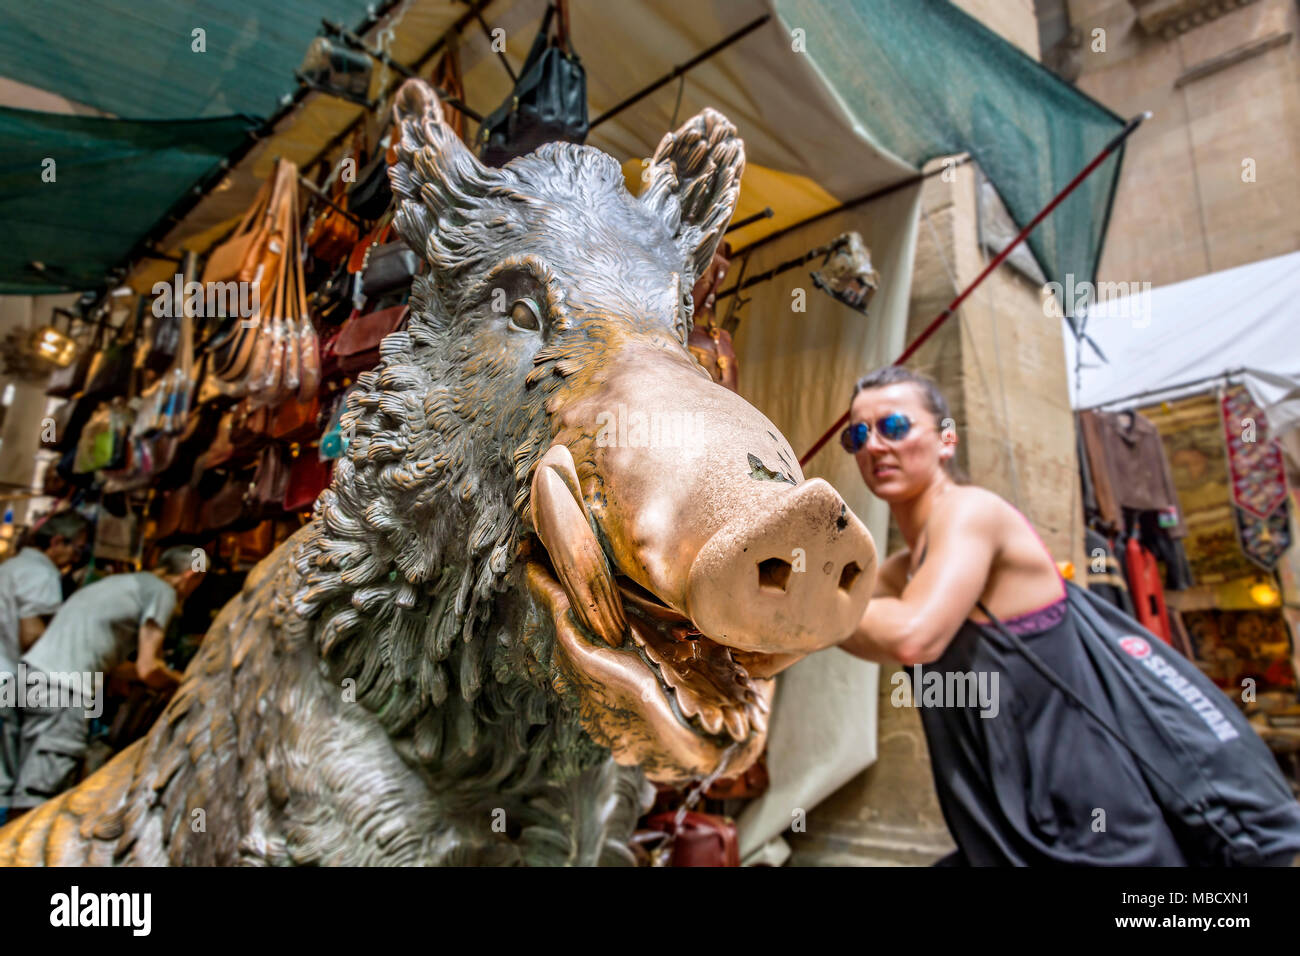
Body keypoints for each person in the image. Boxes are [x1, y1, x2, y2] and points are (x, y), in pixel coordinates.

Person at [836, 366, 1298, 866]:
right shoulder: (904, 566)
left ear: (947, 440)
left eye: (895, 427)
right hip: (1007, 815)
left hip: (1088, 809)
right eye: (857, 434)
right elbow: (841, 612)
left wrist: (802, 611)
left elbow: (909, 635)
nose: (874, 445)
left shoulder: (971, 512)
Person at [11, 546, 202, 811]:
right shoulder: (163, 592)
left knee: (19, 786)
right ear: (190, 576)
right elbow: (149, 668)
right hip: (65, 690)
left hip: (30, 677)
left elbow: (123, 669)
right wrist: (192, 683)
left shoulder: (119, 583)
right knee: (39, 798)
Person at [0, 511, 88, 822]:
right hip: (9, 681)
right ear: (57, 542)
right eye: (77, 548)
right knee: (9, 782)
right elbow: (31, 635)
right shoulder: (41, 573)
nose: (77, 558)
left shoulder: (11, 567)